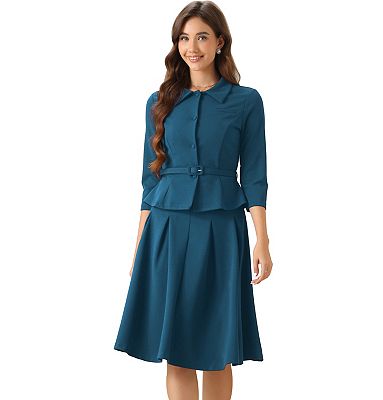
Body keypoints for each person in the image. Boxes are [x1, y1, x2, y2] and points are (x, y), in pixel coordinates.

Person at [114, 1, 273, 399]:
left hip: (221, 229)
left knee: (218, 348)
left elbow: (255, 177)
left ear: (220, 42)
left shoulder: (246, 101)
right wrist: (139, 246)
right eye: (184, 38)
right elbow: (149, 181)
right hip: (166, 228)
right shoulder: (159, 101)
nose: (192, 47)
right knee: (177, 348)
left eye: (202, 37)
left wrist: (263, 241)